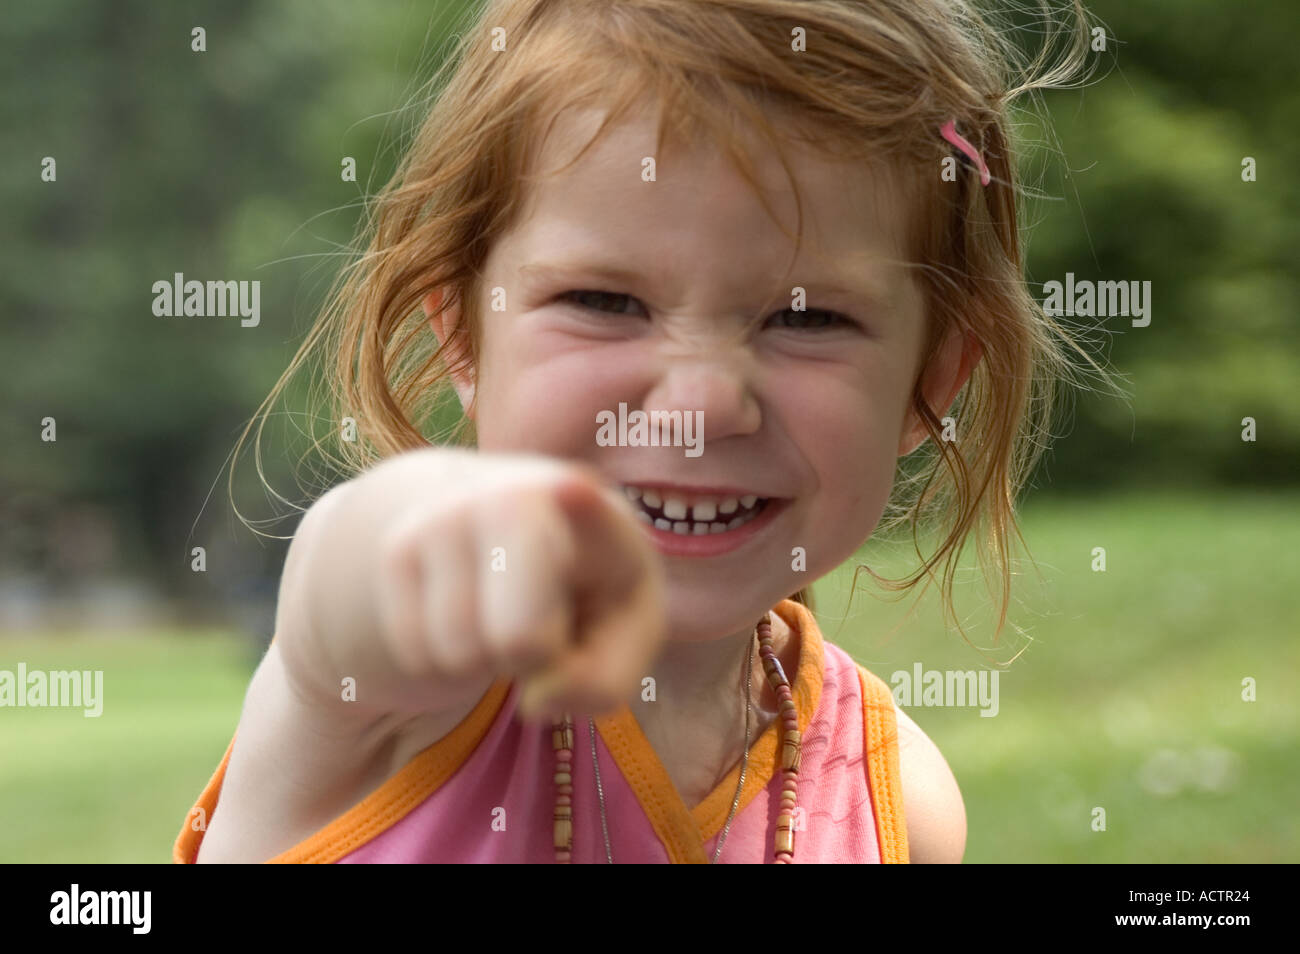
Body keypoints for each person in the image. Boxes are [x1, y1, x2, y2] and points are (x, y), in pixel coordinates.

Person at [175, 0, 1099, 864]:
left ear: (930, 380)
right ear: (463, 334)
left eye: (807, 318)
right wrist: (408, 539)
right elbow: (348, 585)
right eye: (604, 301)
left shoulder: (897, 797)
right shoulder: (392, 702)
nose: (701, 405)